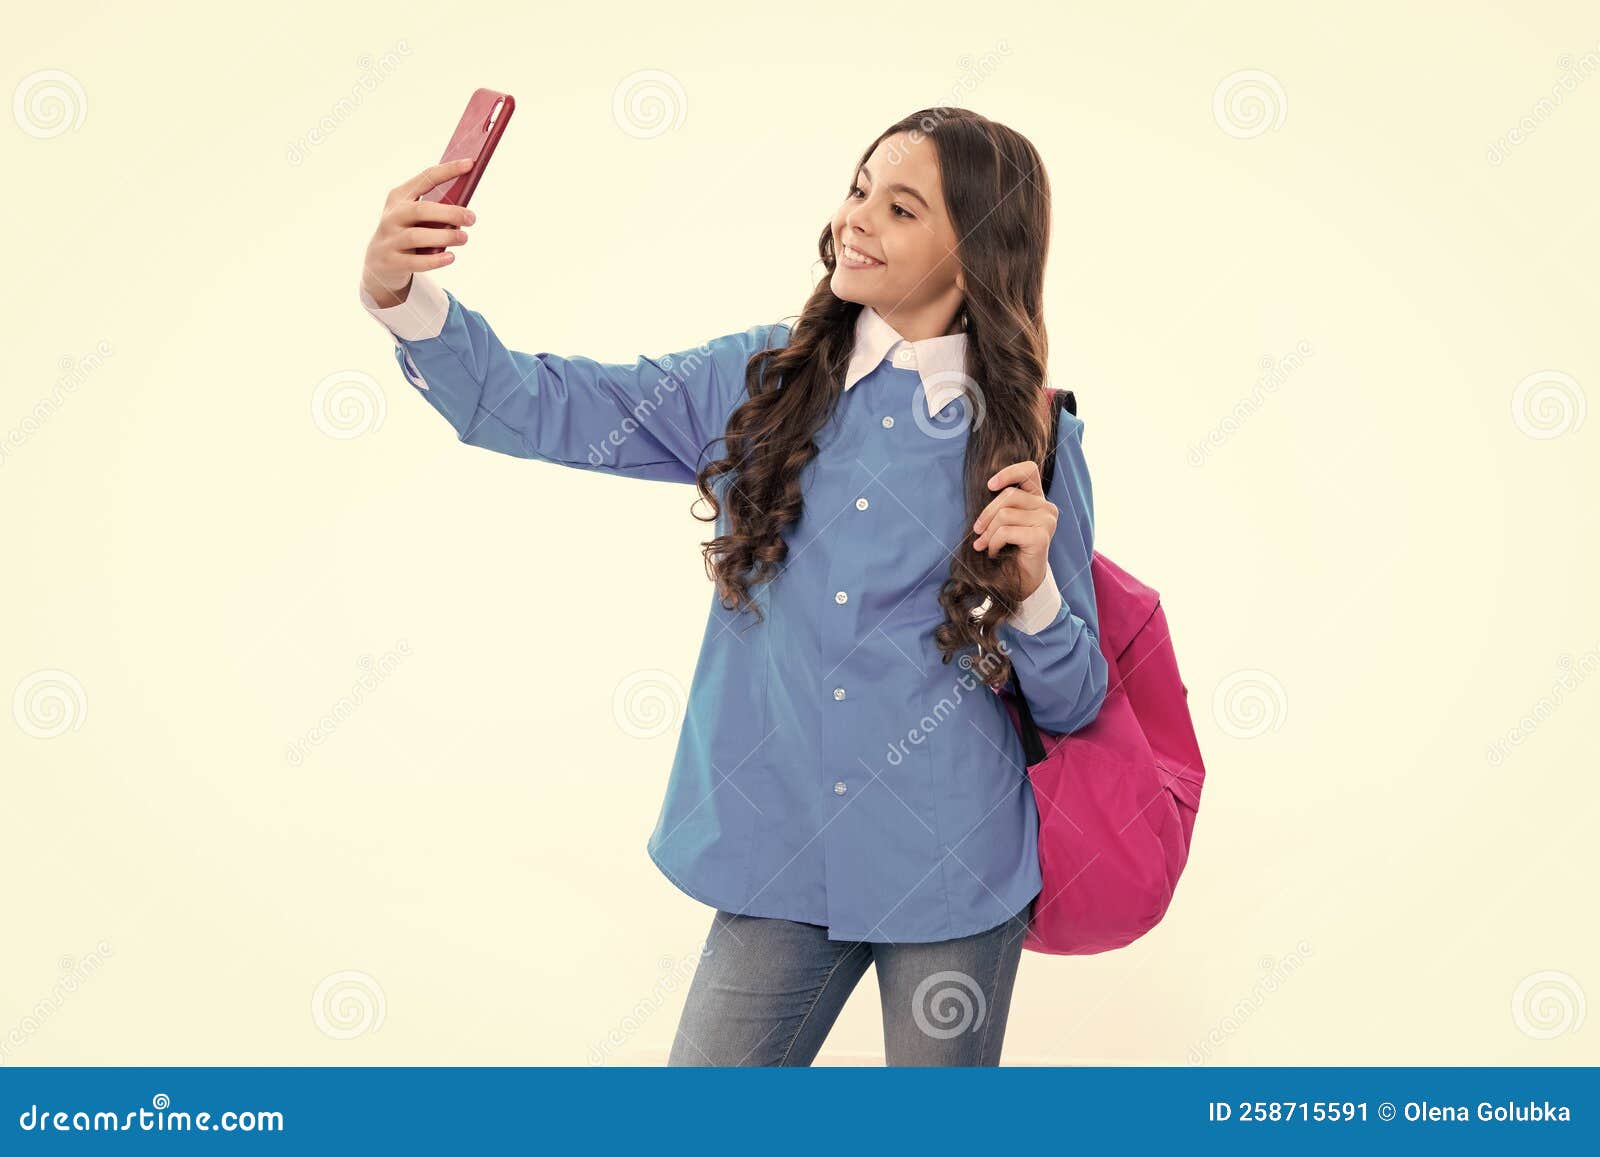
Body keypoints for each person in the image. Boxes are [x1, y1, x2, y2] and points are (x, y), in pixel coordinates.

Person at [357, 107, 1108, 1066]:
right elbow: (534, 403)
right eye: (857, 187)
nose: (856, 218)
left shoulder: (1037, 440)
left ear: (973, 259)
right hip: (777, 856)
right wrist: (401, 295)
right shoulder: (758, 384)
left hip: (953, 871)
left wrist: (1036, 591)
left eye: (902, 206)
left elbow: (1077, 698)